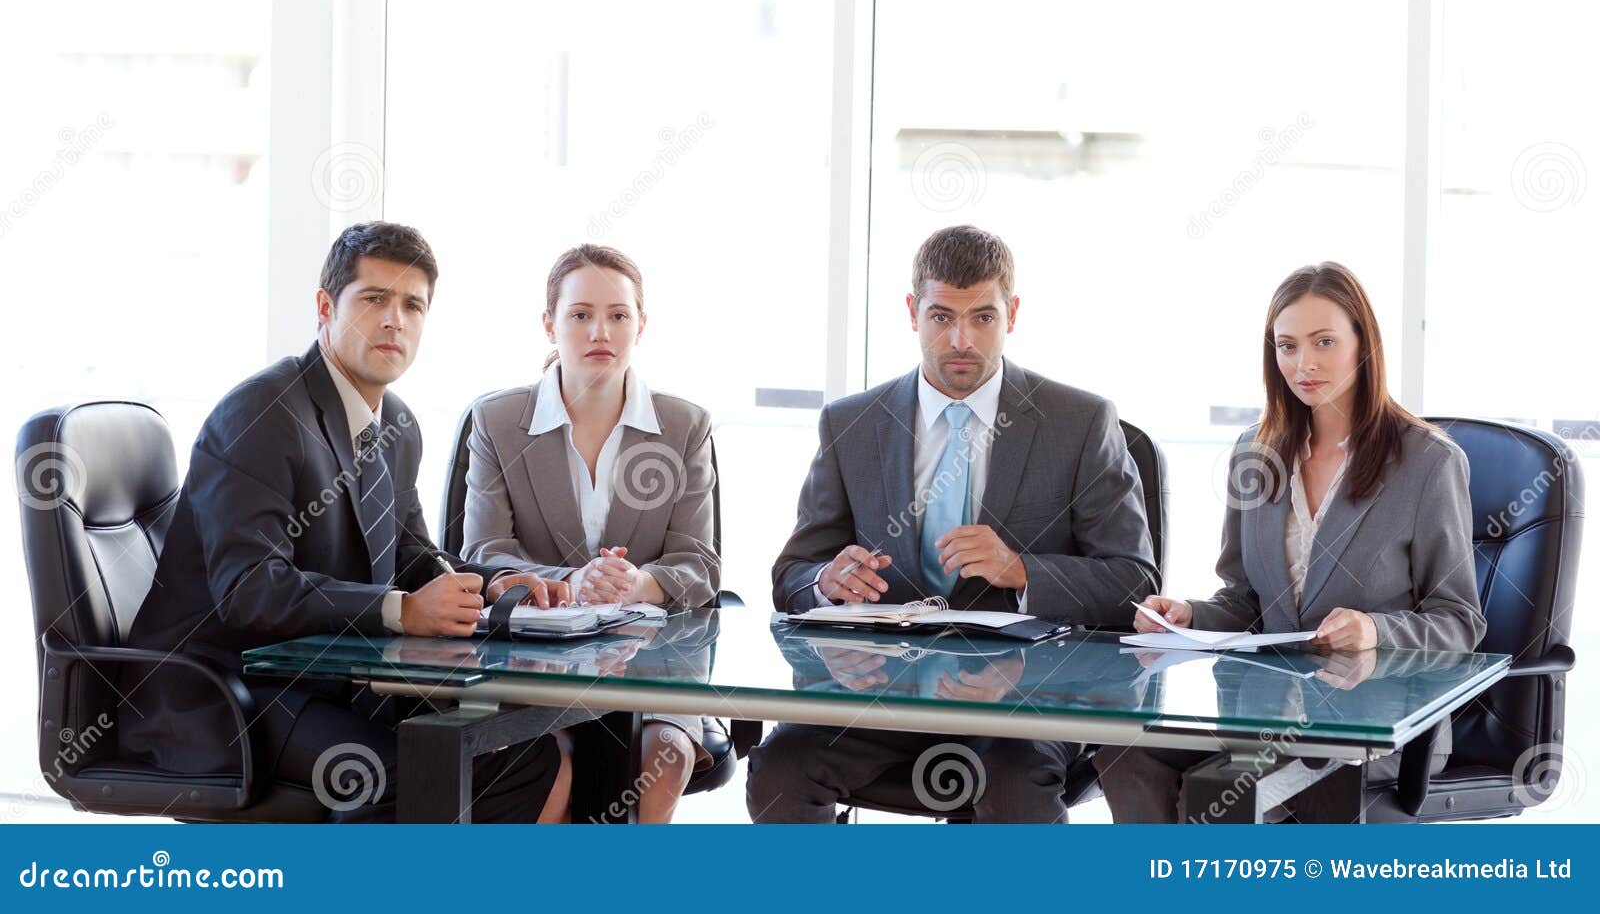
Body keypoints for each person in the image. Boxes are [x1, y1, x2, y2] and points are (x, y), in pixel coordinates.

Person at [122, 222, 570, 822]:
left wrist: (493, 586)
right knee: (406, 772)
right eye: (374, 299)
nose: (395, 320)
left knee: (526, 757)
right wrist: (403, 610)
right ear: (326, 308)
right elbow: (248, 589)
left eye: (413, 305)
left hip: (330, 678)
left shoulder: (397, 424)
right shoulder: (261, 414)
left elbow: (414, 555)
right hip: (228, 690)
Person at [747, 225, 1158, 823]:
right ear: (913, 312)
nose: (960, 339)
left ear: (1011, 314)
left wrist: (1021, 571)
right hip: (879, 696)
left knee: (1014, 786)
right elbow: (791, 577)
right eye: (941, 316)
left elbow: (1134, 585)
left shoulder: (1082, 422)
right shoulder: (851, 424)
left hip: (1025, 703)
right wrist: (825, 584)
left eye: (982, 318)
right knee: (779, 767)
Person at [1094, 261, 1486, 823]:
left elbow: (1460, 623)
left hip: (1370, 724)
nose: (1304, 364)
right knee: (1125, 751)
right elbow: (1244, 601)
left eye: (1324, 341)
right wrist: (1187, 615)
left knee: (1217, 791)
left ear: (1363, 343)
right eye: (1287, 346)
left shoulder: (1427, 462)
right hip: (1261, 712)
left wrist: (1374, 630)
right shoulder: (1256, 452)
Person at [462, 243, 719, 823]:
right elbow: (480, 554)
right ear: (549, 323)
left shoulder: (683, 425)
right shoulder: (498, 421)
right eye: (580, 314)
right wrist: (573, 581)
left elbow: (699, 562)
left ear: (641, 325)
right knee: (545, 764)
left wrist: (638, 583)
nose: (600, 330)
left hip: (649, 662)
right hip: (533, 664)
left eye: (618, 315)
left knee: (669, 753)